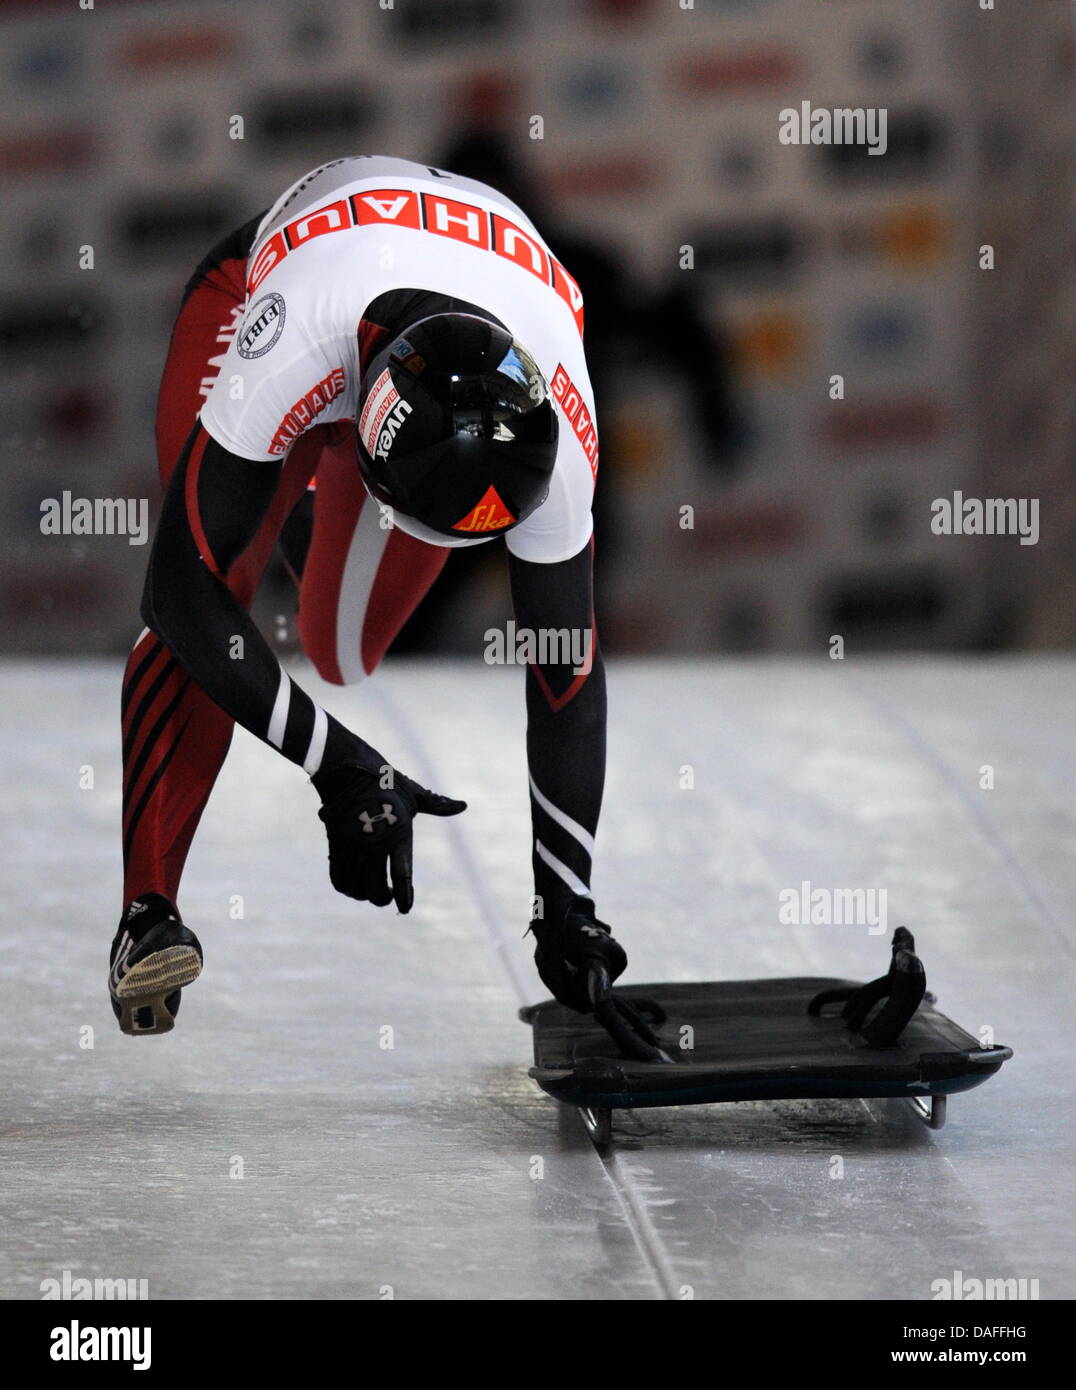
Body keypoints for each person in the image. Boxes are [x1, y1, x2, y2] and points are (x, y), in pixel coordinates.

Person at [111, 155, 626, 1036]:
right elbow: (177, 594)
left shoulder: (566, 441)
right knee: (214, 578)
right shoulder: (291, 332)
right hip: (271, 292)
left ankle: (280, 488)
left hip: (395, 319)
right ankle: (145, 913)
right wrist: (341, 768)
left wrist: (568, 908)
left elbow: (564, 675)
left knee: (341, 649)